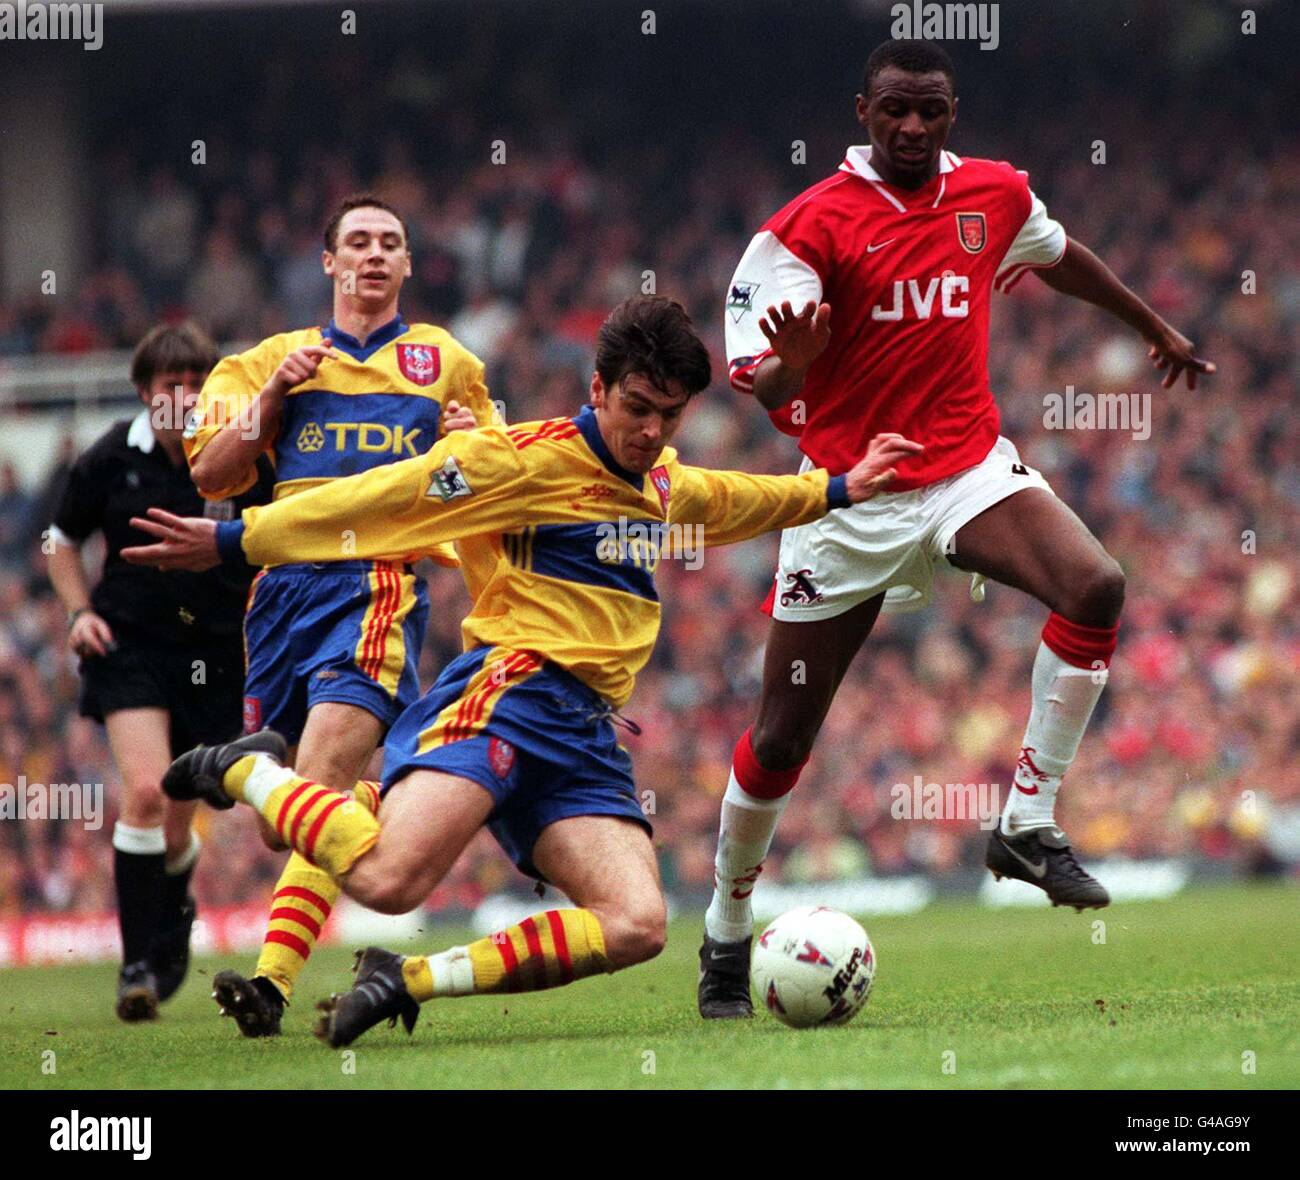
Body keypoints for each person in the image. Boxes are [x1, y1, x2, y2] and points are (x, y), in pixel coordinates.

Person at [122, 295, 919, 1047]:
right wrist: (235, 540)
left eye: (669, 414)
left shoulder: (664, 481)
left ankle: (409, 978)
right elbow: (379, 498)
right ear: (598, 388)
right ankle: (247, 769)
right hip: (506, 695)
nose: (650, 430)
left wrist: (839, 488)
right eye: (636, 407)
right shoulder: (516, 462)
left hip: (583, 734)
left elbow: (735, 499)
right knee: (391, 882)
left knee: (638, 924)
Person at [696, 38, 1216, 1018]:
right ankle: (726, 929)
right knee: (779, 738)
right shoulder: (803, 232)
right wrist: (795, 365)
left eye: (928, 111)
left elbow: (1061, 259)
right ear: (861, 110)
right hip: (848, 498)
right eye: (892, 109)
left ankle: (1025, 822)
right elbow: (760, 380)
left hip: (966, 470)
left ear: (950, 111)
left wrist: (1152, 327)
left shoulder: (992, 195)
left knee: (1095, 584)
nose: (910, 127)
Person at [181, 193, 495, 1036]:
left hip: (376, 585)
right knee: (294, 831)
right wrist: (272, 403)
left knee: (312, 785)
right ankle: (293, 783)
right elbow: (212, 477)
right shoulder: (271, 359)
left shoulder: (446, 363)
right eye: (358, 241)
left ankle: (272, 986)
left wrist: (466, 448)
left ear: (407, 265)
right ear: (328, 263)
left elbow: (490, 495)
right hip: (280, 592)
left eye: (392, 243)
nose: (375, 254)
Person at [45, 322, 274, 1021]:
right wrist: (79, 611)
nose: (184, 394)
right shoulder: (112, 457)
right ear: (145, 391)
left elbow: (274, 534)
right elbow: (59, 540)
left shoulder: (240, 460)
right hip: (131, 644)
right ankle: (137, 963)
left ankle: (174, 903)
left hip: (215, 652)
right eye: (170, 382)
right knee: (144, 793)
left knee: (180, 818)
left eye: (197, 381)